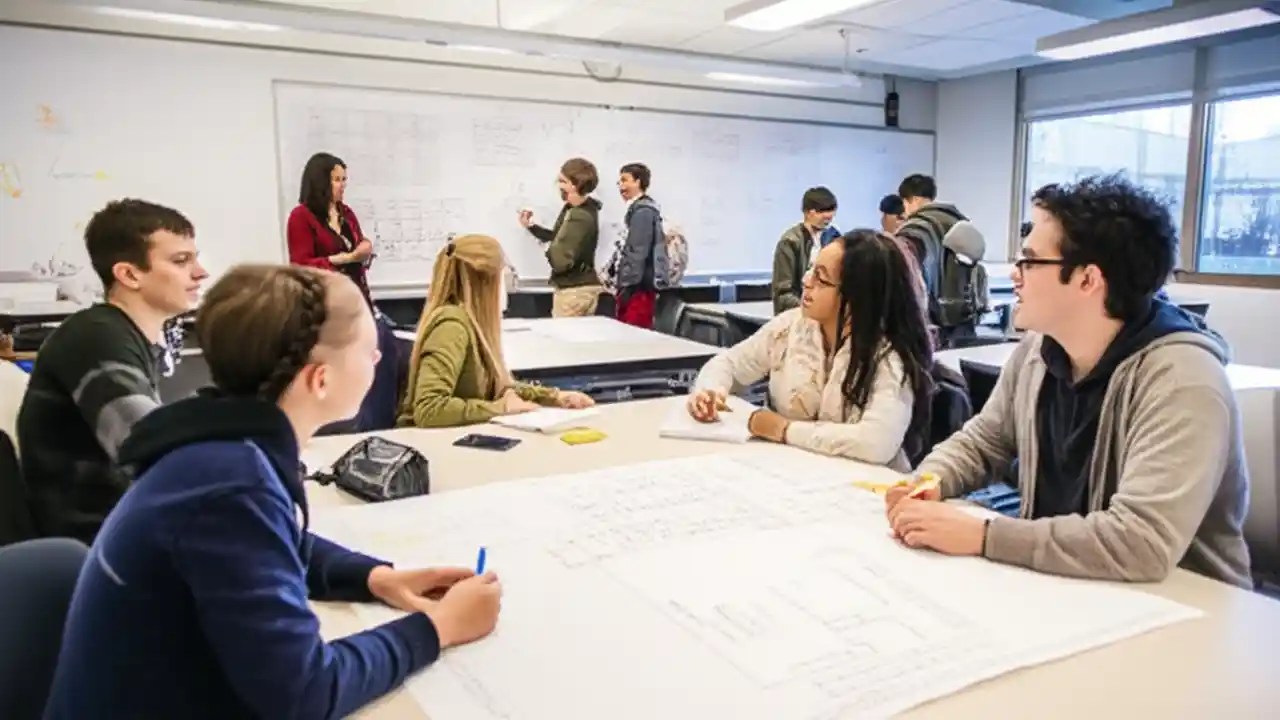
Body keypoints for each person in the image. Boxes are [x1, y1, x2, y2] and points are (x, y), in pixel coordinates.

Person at [44, 265, 504, 718]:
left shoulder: (222, 442)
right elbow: (305, 693)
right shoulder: (231, 484)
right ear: (319, 379)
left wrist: (374, 578)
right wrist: (437, 628)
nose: (380, 360)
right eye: (370, 351)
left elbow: (271, 539)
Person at [886, 175, 1252, 589]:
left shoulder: (1184, 381)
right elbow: (984, 442)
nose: (1015, 274)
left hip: (1186, 606)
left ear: (1087, 280)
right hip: (1072, 586)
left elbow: (1140, 542)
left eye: (1030, 260)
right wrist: (927, 482)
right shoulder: (1039, 351)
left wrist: (984, 535)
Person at [16, 199, 208, 544]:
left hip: (131, 526)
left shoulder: (127, 334)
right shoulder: (95, 336)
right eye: (181, 261)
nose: (200, 272)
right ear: (130, 274)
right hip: (102, 544)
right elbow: (149, 449)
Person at [690, 230, 933, 470]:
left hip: (866, 487)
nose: (806, 281)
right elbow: (728, 364)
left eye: (821, 278)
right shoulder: (790, 327)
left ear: (857, 297)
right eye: (811, 270)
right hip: (798, 473)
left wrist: (784, 430)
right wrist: (710, 390)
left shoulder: (889, 354)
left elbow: (876, 443)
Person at [399, 234, 594, 428]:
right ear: (485, 280)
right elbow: (430, 409)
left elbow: (496, 385)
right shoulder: (451, 326)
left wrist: (554, 397)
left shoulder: (472, 323)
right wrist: (501, 408)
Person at [518, 157, 603, 317]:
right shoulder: (577, 210)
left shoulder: (579, 216)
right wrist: (532, 227)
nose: (559, 186)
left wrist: (548, 248)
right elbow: (559, 237)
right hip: (579, 289)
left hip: (574, 292)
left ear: (575, 185)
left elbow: (560, 259)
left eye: (563, 181)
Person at [287, 152, 374, 306]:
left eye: (344, 180)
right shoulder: (301, 216)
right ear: (321, 182)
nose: (343, 185)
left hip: (355, 298)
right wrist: (343, 259)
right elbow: (300, 266)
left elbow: (357, 241)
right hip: (324, 303)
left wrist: (364, 246)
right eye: (337, 180)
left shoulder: (346, 213)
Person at [605, 162, 668, 329]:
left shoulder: (643, 211)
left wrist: (626, 286)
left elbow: (637, 252)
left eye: (625, 180)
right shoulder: (635, 209)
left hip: (637, 288)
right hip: (632, 286)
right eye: (619, 182)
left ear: (638, 182)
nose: (621, 186)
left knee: (633, 333)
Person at [771, 186, 840, 314]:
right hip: (798, 313)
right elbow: (783, 294)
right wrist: (809, 308)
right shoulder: (790, 242)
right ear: (807, 212)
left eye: (831, 211)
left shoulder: (834, 237)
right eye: (822, 211)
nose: (828, 216)